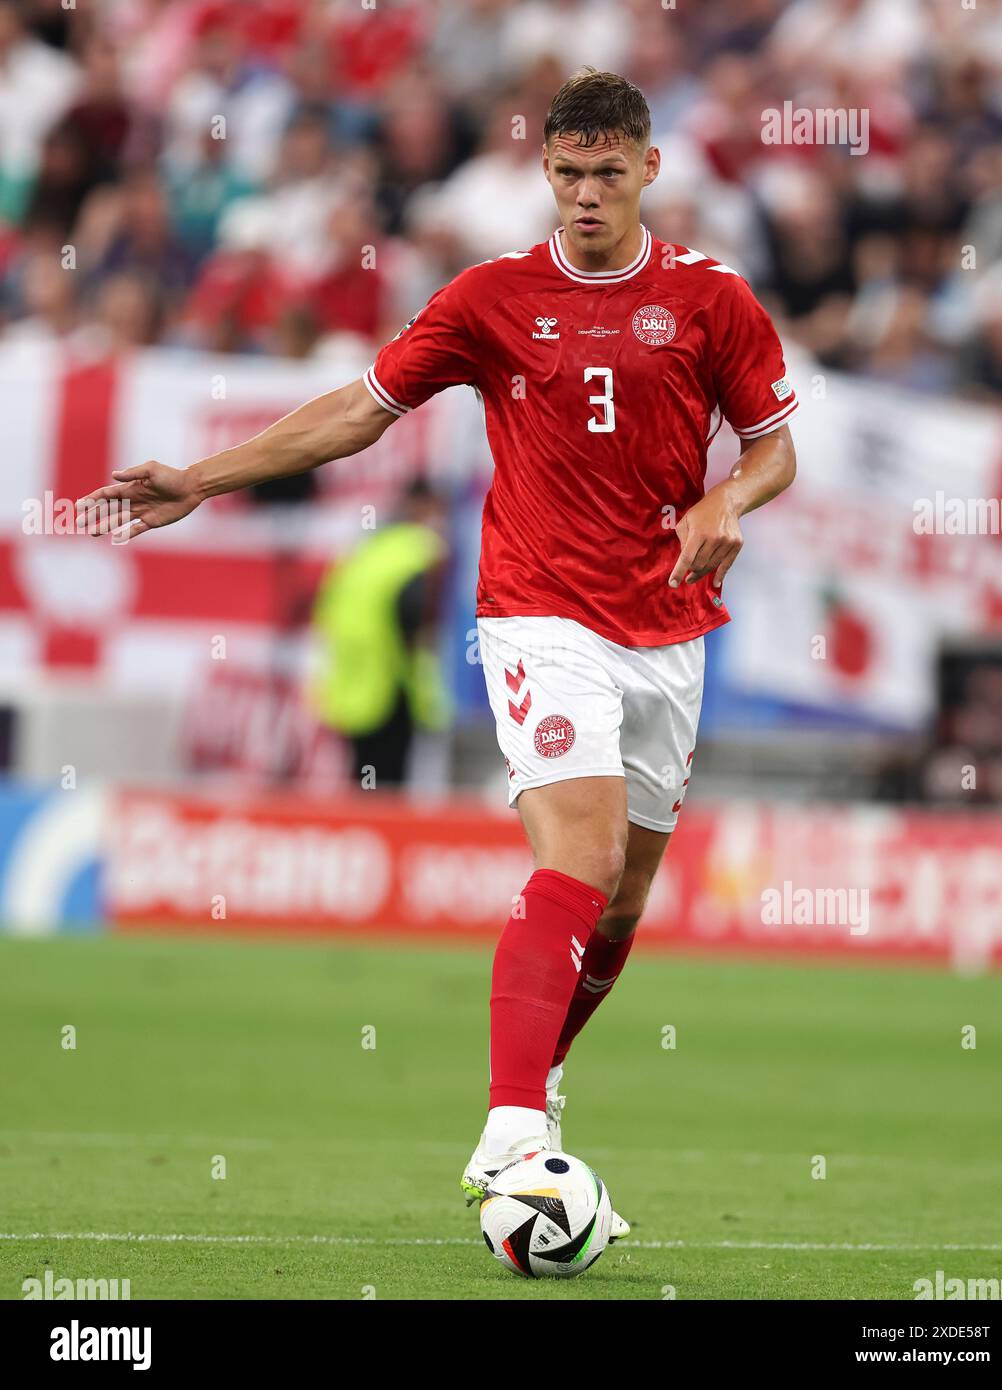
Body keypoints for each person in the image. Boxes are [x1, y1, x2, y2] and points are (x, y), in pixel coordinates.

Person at [77, 68, 798, 1243]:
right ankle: (513, 1127)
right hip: (538, 611)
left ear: (648, 172)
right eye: (564, 173)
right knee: (584, 843)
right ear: (544, 173)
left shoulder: (712, 300)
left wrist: (729, 501)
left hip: (667, 625)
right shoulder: (489, 299)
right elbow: (359, 409)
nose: (583, 196)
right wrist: (199, 481)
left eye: (606, 173)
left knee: (617, 910)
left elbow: (773, 450)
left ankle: (534, 1088)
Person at [310, 476, 452, 788]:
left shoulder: (366, 550)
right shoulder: (419, 548)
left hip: (353, 685)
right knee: (388, 784)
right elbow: (412, 611)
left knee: (364, 778)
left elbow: (326, 609)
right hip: (391, 684)